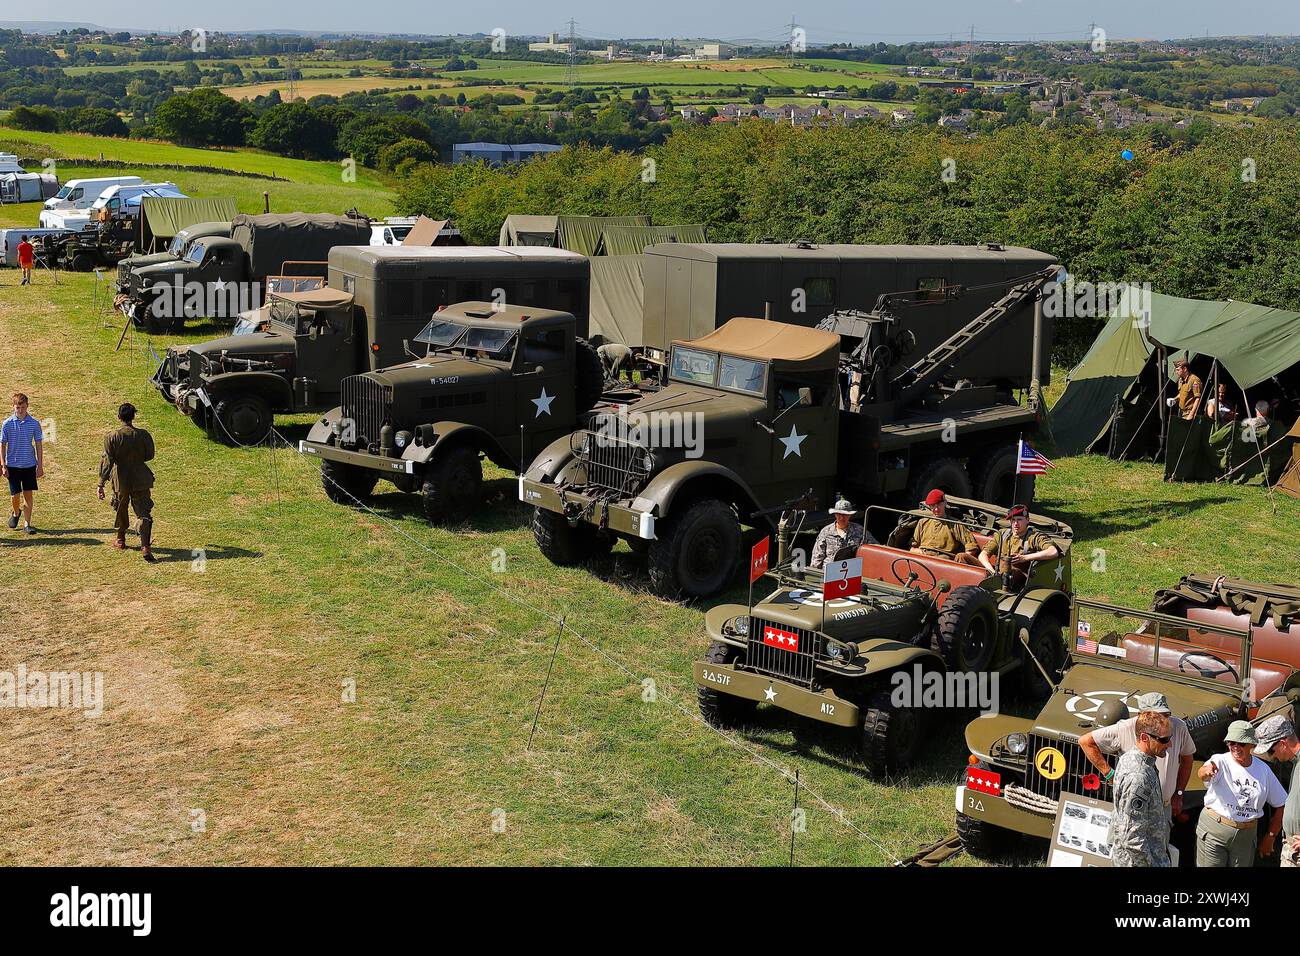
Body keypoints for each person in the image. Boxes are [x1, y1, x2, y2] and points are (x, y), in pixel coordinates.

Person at [1080, 692, 1196, 819]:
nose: (1163, 720)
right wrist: (1109, 774)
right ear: (1142, 717)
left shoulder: (1178, 727)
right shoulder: (1125, 728)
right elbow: (1086, 741)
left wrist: (1179, 793)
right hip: (1131, 811)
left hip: (1162, 809)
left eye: (1166, 715)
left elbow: (1187, 759)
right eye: (1156, 716)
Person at [1195, 720, 1287, 867]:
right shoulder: (1219, 761)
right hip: (1215, 830)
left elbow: (1282, 804)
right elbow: (1203, 772)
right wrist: (1206, 771)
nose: (1235, 747)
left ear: (1252, 744)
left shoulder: (1263, 770)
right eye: (1231, 743)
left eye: (1241, 743)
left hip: (1246, 835)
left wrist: (1270, 836)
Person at [1106, 710, 1175, 867]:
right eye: (1164, 740)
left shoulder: (1130, 758)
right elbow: (1132, 836)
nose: (1169, 744)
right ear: (1144, 738)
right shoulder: (1139, 776)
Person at [97, 403, 156, 562]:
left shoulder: (112, 436)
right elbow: (150, 455)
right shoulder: (143, 435)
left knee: (120, 507)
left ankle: (121, 539)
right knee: (143, 512)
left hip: (120, 479)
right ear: (133, 416)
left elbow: (107, 461)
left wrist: (101, 483)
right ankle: (145, 546)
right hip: (140, 478)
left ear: (119, 417)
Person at [1254, 713, 1300, 868]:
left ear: (1282, 743)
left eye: (1271, 751)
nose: (1271, 757)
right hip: (1292, 847)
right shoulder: (1296, 763)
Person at [980, 504, 1062, 588]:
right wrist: (992, 572)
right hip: (996, 573)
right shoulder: (1002, 534)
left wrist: (1025, 558)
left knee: (1007, 568)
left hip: (1018, 578)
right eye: (1013, 520)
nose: (1015, 523)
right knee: (965, 557)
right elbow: (983, 555)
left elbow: (1053, 552)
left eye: (1019, 520)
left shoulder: (1034, 537)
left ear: (1027, 520)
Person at [909, 489, 993, 571]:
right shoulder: (923, 522)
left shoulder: (955, 524)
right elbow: (913, 547)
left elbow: (971, 547)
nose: (936, 509)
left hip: (944, 563)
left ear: (945, 503)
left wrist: (956, 565)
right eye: (932, 506)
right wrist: (919, 552)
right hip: (922, 560)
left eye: (939, 504)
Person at [2, 392, 44, 534]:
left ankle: (27, 524)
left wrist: (40, 465)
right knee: (15, 495)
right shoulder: (7, 424)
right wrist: (3, 465)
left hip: (29, 465)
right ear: (13, 407)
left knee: (28, 494)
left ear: (27, 406)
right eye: (18, 407)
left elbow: (38, 444)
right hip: (12, 465)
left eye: (23, 407)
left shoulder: (34, 423)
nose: (20, 410)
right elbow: (2, 445)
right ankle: (16, 512)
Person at [809, 496, 876, 570]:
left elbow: (874, 547)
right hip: (829, 573)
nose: (841, 518)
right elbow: (817, 557)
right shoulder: (826, 532)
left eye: (845, 515)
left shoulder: (859, 531)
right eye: (839, 514)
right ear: (835, 514)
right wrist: (814, 573)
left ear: (850, 515)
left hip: (851, 571)